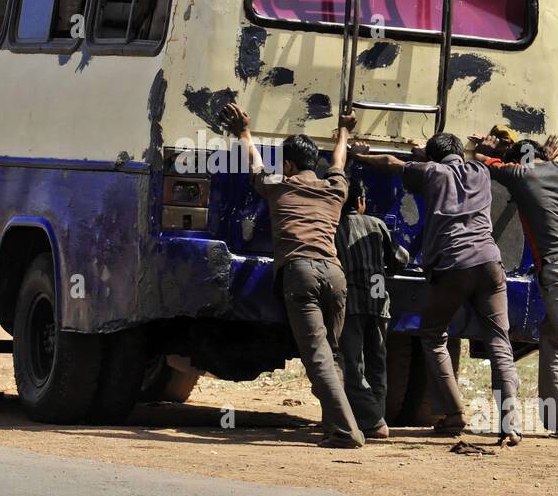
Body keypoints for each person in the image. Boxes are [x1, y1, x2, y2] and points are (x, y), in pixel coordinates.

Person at [353, 133, 521, 444]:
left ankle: (454, 414)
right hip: (489, 264)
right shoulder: (480, 172)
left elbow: (391, 163)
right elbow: (488, 156)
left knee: (432, 335)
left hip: (452, 267)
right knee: (500, 342)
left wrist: (361, 156)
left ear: (431, 157)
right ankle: (509, 424)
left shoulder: (430, 173)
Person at [221, 102, 365, 448]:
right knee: (332, 353)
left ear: (287, 164)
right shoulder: (335, 190)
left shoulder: (279, 186)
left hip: (300, 274)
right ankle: (333, 426)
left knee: (316, 356)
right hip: (335, 275)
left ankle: (347, 431)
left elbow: (254, 164)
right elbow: (339, 162)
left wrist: (244, 132)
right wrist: (344, 130)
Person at [474, 130, 558, 440]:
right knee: (551, 336)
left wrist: (485, 148)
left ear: (518, 161)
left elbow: (485, 162)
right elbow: (541, 163)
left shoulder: (519, 175)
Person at [335, 175, 410, 439]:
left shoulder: (334, 228)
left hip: (351, 304)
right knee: (377, 362)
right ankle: (376, 416)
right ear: (361, 201)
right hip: (378, 303)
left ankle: (372, 421)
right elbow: (400, 258)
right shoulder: (377, 225)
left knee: (353, 364)